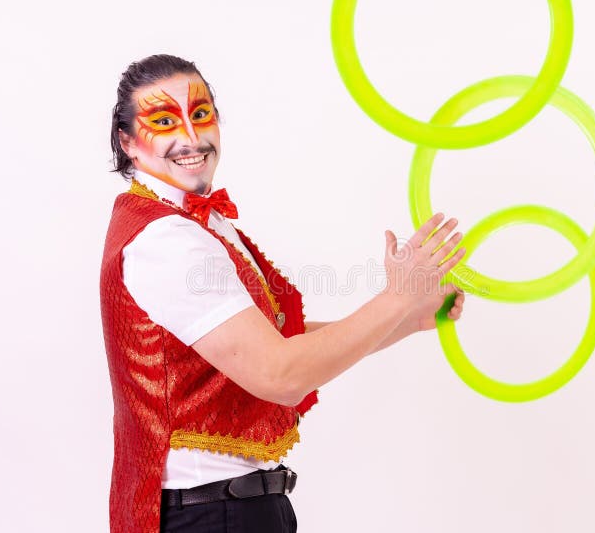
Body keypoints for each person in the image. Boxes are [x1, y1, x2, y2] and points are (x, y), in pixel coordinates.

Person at [100, 53, 467, 533]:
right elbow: (279, 373)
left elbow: (278, 343)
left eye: (202, 114)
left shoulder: (196, 223)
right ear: (127, 142)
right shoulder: (168, 240)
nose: (191, 138)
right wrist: (395, 299)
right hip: (210, 517)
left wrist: (407, 319)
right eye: (164, 121)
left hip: (232, 511)